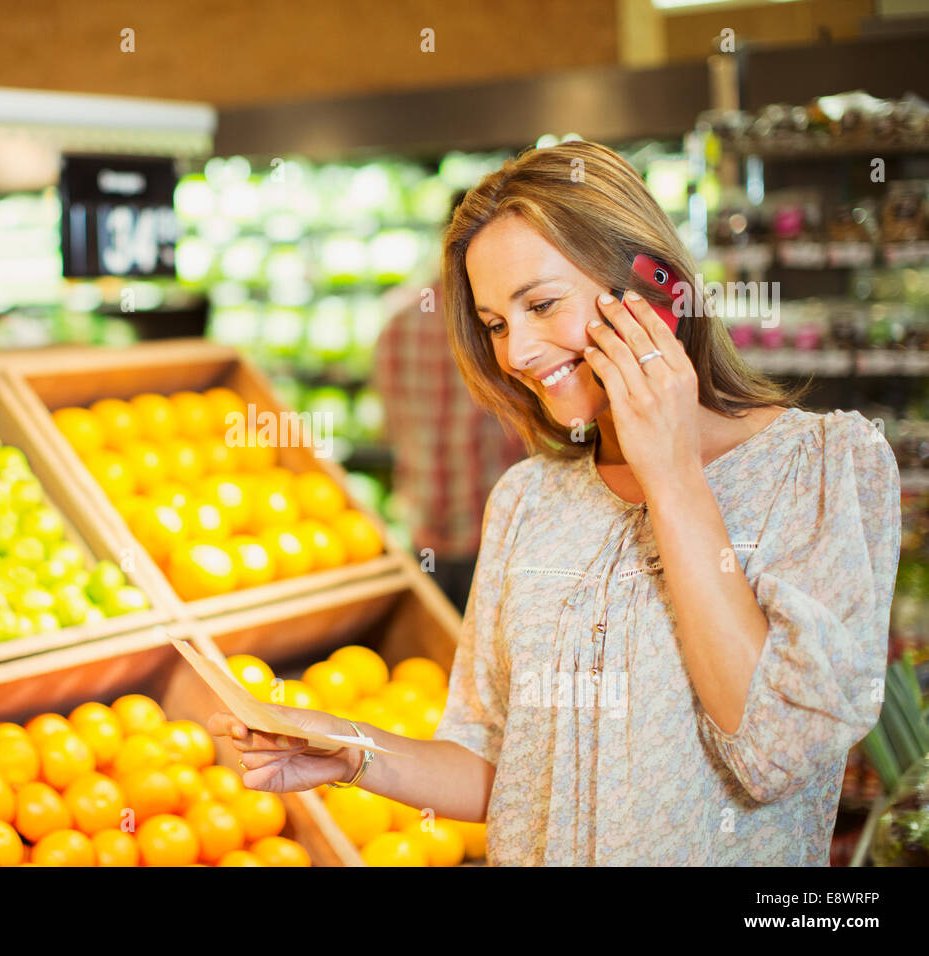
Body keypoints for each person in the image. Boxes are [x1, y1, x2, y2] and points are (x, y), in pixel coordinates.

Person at [208, 141, 902, 866]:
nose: (516, 354)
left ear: (655, 288)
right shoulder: (526, 499)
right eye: (496, 324)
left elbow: (778, 753)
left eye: (540, 304)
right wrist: (353, 750)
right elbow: (505, 772)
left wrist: (669, 474)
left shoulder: (825, 469)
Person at [374, 190, 525, 613]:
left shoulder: (397, 325)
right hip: (495, 530)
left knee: (438, 659)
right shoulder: (498, 325)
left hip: (424, 528)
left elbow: (389, 427)